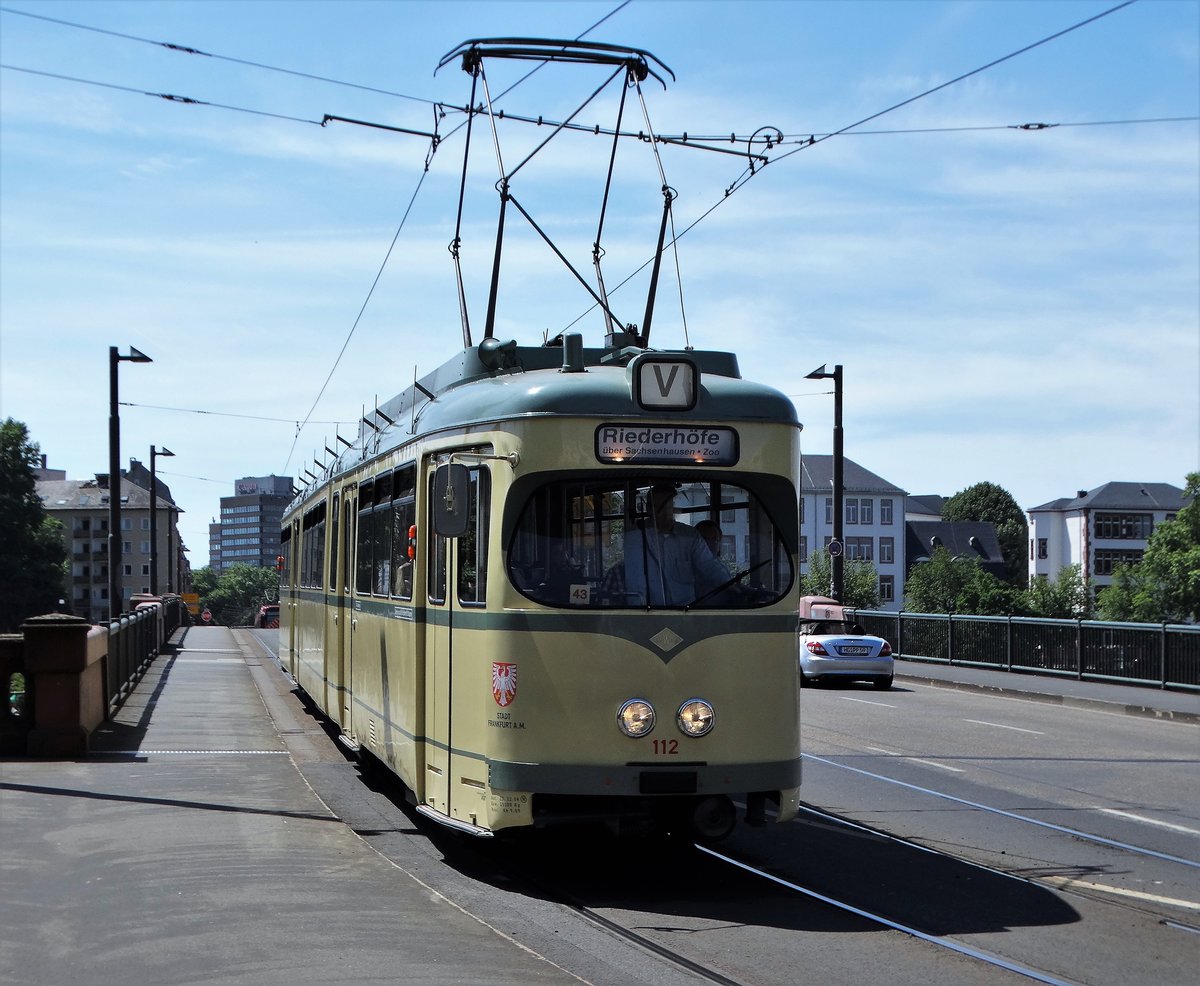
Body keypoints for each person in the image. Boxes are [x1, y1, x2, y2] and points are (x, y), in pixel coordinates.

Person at [624, 483, 731, 606]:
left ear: (673, 507)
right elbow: (635, 582)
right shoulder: (637, 536)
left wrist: (731, 585)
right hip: (651, 611)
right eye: (657, 507)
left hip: (686, 610)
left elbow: (709, 566)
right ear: (648, 509)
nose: (663, 513)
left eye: (667, 506)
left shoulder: (690, 536)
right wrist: (638, 612)